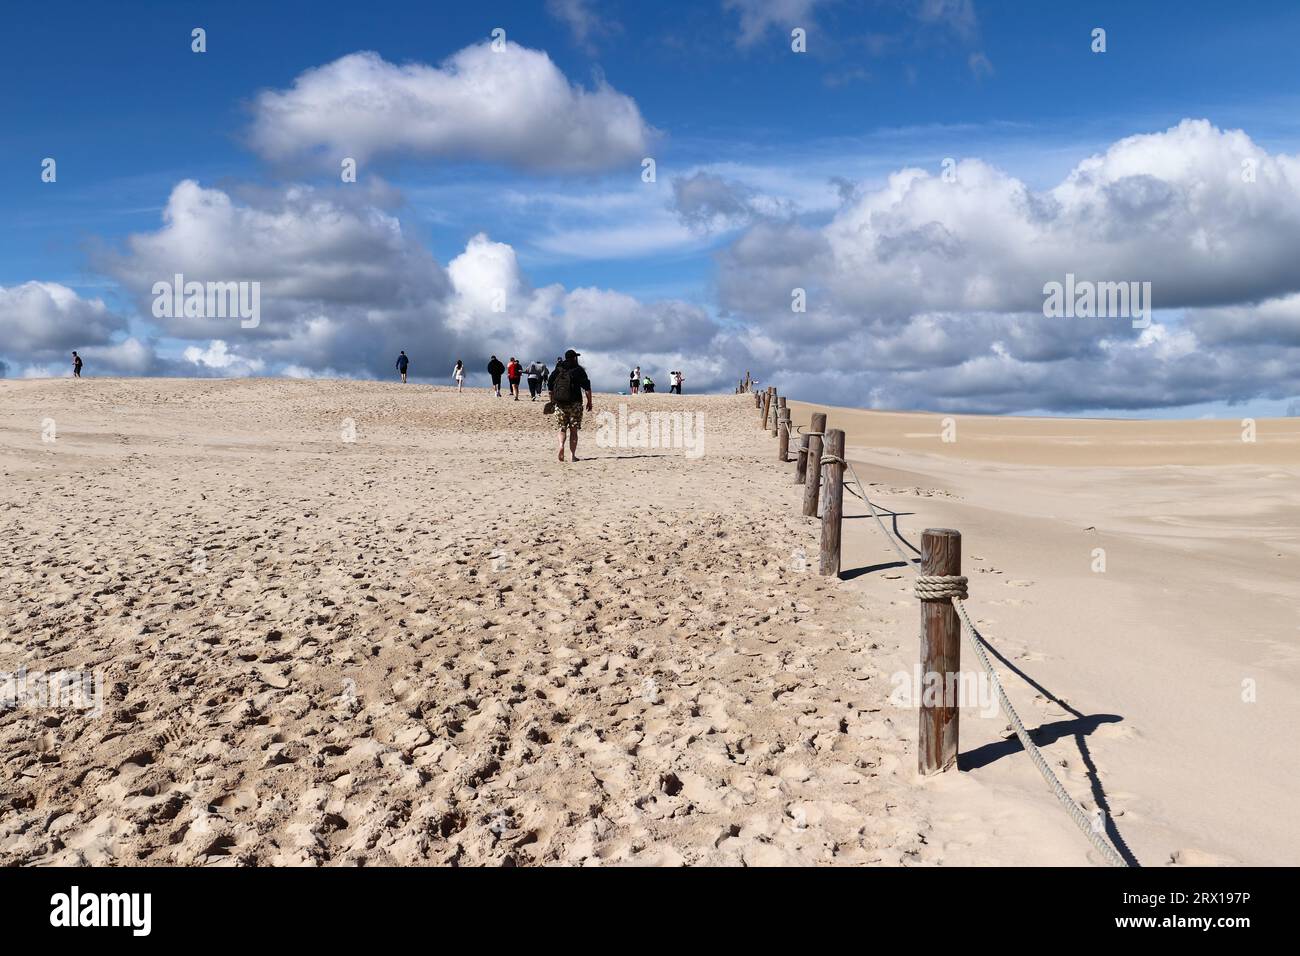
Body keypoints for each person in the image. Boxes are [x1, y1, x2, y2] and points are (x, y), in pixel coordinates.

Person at [548, 349, 593, 462]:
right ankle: (572, 455)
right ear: (574, 358)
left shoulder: (558, 369)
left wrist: (552, 401)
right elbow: (587, 388)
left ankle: (561, 446)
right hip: (575, 404)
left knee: (562, 428)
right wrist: (589, 401)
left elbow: (550, 387)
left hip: (560, 404)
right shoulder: (578, 370)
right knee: (573, 430)